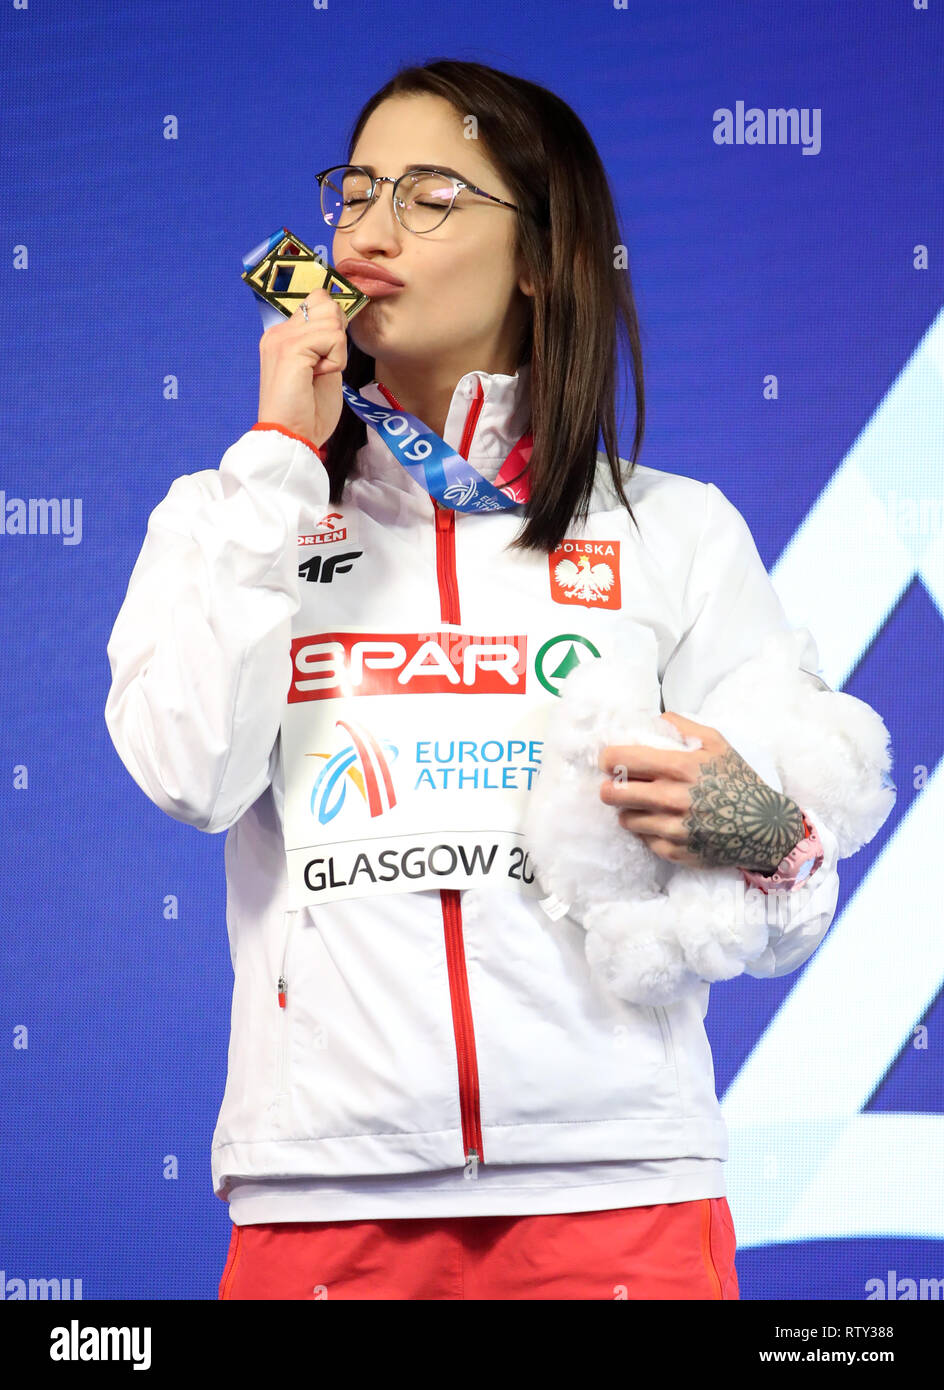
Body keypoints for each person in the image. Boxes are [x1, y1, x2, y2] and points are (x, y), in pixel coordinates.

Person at [104, 59, 853, 1301]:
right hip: (322, 1200)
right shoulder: (228, 511)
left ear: (540, 260)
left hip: (619, 1193)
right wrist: (281, 462)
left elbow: (795, 895)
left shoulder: (674, 529)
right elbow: (190, 776)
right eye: (357, 192)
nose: (371, 230)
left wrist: (766, 833)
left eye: (432, 195)